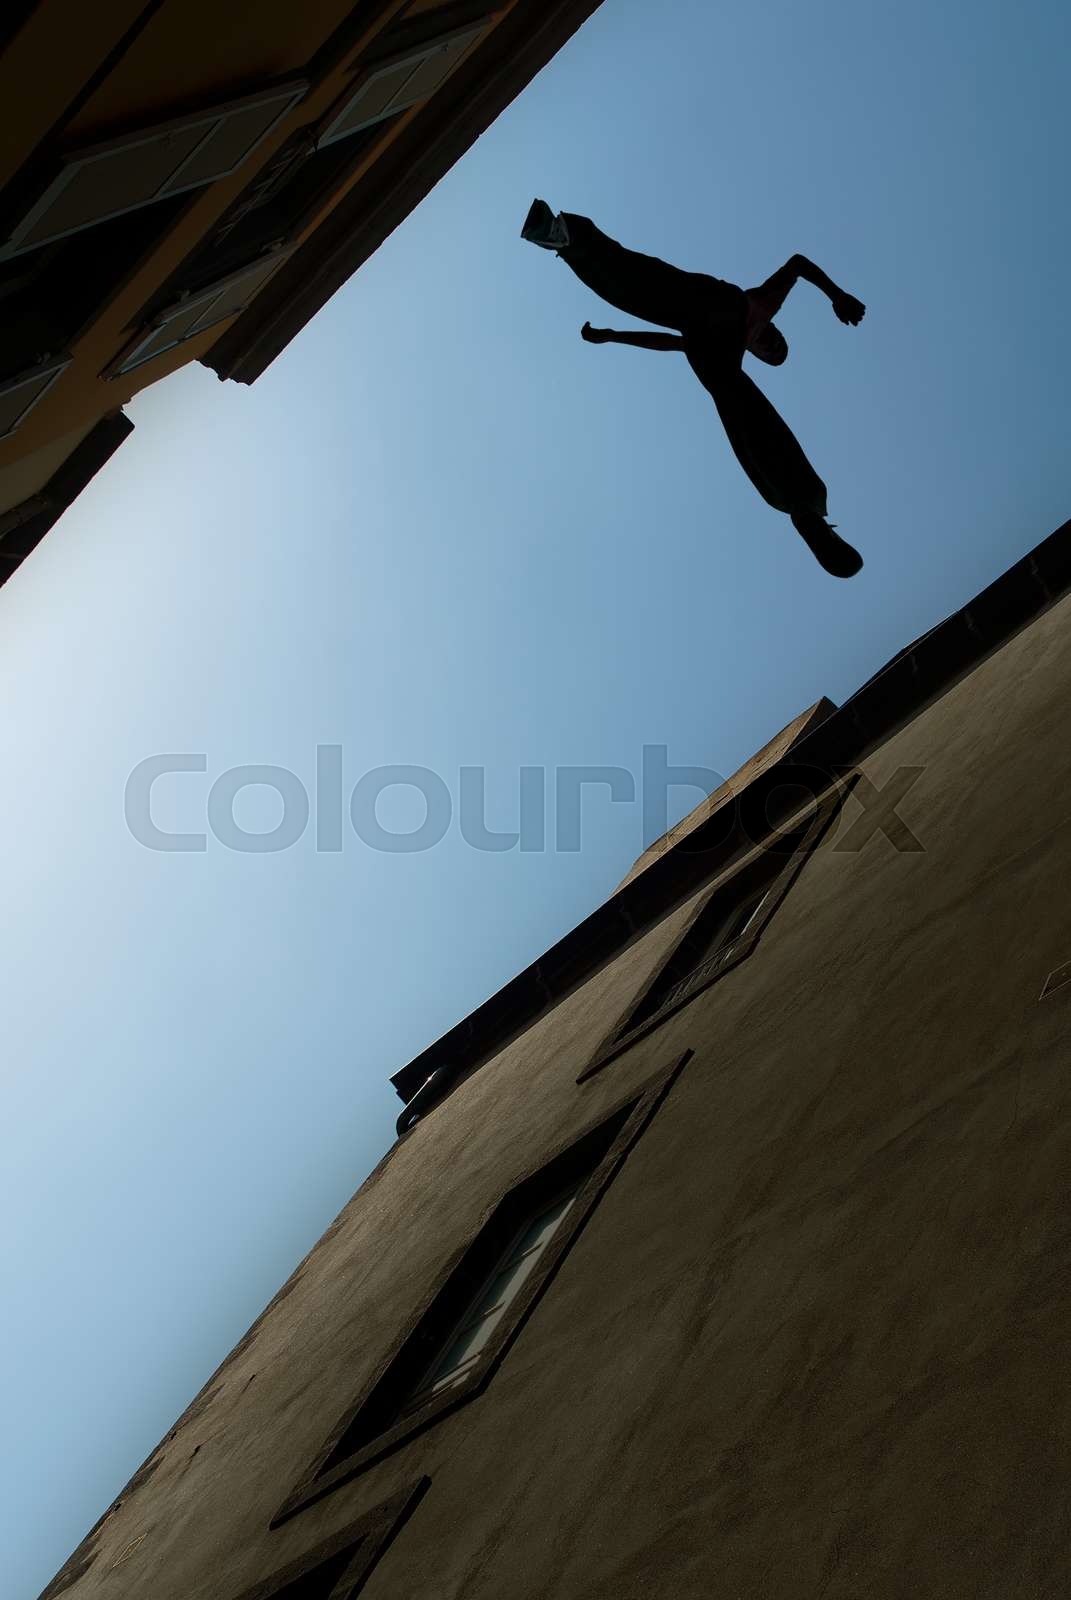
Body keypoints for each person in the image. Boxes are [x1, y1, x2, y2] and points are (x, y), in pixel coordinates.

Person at [520, 201, 866, 578]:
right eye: (776, 343)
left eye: (770, 354)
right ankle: (806, 506)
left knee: (628, 293)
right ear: (776, 330)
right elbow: (798, 264)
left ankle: (563, 240)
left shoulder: (726, 354)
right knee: (654, 294)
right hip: (712, 303)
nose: (770, 346)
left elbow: (666, 343)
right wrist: (836, 294)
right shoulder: (762, 304)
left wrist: (614, 336)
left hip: (697, 329)